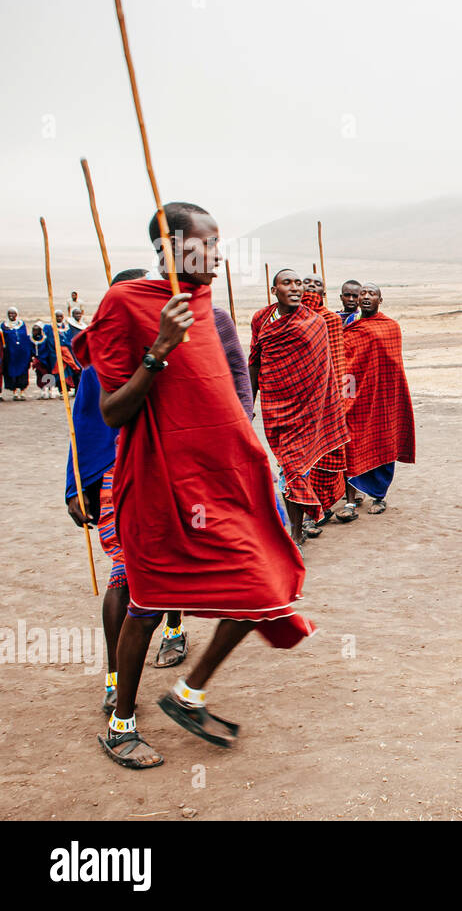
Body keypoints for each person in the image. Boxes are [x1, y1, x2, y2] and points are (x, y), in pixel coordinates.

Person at [74, 201, 314, 769]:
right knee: (148, 600)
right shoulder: (126, 305)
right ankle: (121, 721)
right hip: (157, 480)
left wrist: (252, 460)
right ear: (173, 248)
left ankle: (189, 692)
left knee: (264, 585)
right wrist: (158, 349)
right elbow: (111, 411)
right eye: (207, 244)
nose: (218, 254)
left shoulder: (207, 307)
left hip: (221, 480)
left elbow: (225, 396)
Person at [64, 269, 188, 715]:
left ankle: (174, 629)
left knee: (172, 564)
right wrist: (75, 485)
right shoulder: (102, 360)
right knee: (125, 571)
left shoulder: (183, 351)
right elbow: (85, 426)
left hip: (174, 474)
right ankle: (116, 676)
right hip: (120, 476)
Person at [248, 269, 349, 547]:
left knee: (292, 469)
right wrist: (249, 402)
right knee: (288, 468)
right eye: (287, 283)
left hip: (307, 412)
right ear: (274, 290)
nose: (295, 288)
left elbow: (324, 370)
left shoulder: (313, 322)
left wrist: (325, 408)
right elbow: (255, 360)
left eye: (298, 283)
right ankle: (300, 523)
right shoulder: (262, 319)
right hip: (275, 408)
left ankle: (294, 535)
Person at [340, 282, 416, 517]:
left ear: (380, 300)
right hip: (355, 396)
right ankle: (350, 501)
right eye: (363, 293)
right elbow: (344, 361)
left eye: (372, 294)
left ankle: (379, 497)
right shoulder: (349, 326)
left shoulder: (390, 327)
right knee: (350, 443)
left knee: (383, 442)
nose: (365, 297)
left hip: (383, 399)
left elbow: (393, 367)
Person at [299, 271, 349, 533]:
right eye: (307, 283)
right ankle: (307, 509)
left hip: (327, 397)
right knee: (300, 457)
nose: (311, 288)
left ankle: (320, 506)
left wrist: (336, 395)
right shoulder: (288, 317)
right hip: (298, 400)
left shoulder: (330, 320)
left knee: (325, 454)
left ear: (324, 292)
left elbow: (337, 360)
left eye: (317, 284)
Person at [2, 307, 33, 401]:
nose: (11, 315)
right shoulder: (4, 326)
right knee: (11, 372)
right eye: (10, 314)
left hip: (22, 355)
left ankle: (22, 391)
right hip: (11, 355)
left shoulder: (21, 325)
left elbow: (25, 338)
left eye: (13, 313)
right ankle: (15, 392)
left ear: (17, 314)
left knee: (23, 372)